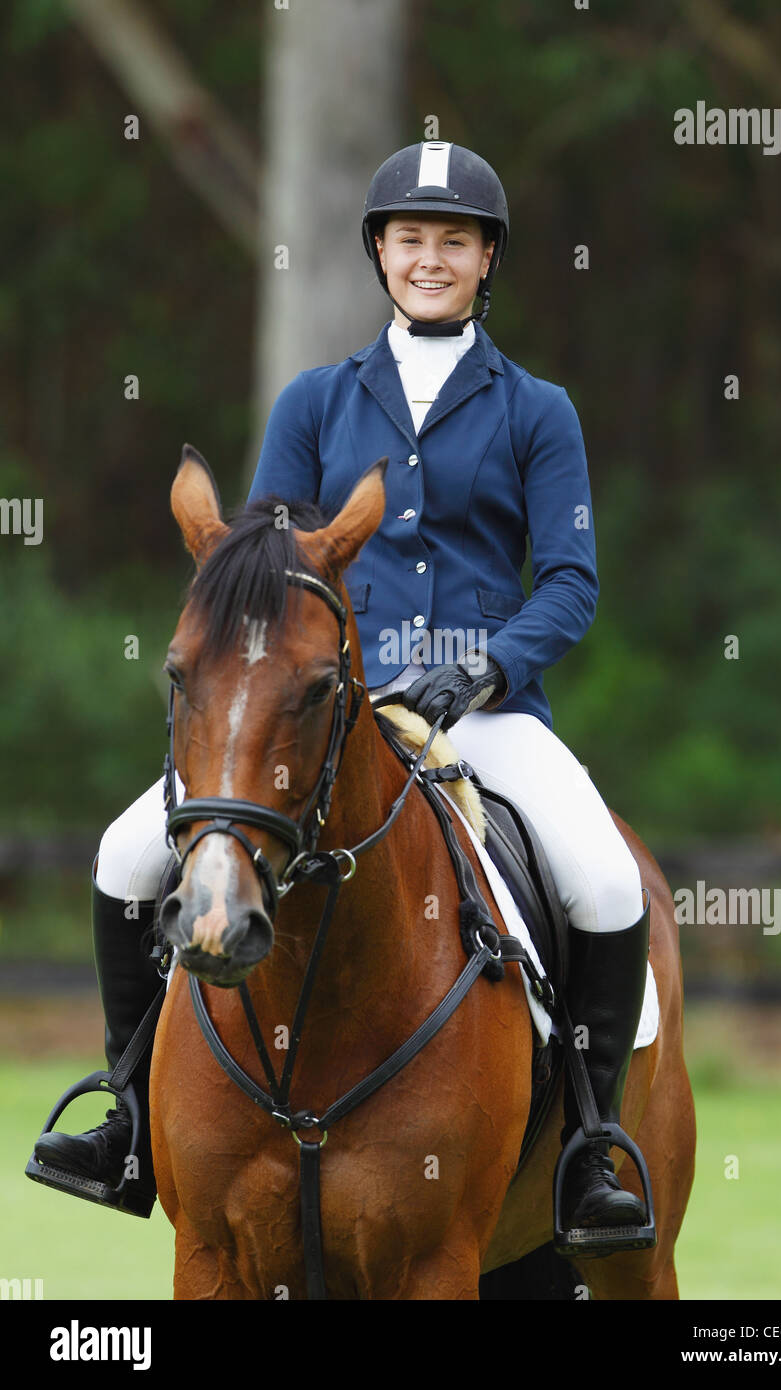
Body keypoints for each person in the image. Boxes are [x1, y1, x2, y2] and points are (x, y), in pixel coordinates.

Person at [33, 141, 650, 1255]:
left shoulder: (537, 409)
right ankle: (125, 1116)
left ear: (486, 259)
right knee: (126, 856)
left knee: (605, 881)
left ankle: (591, 1152)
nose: (429, 258)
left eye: (453, 240)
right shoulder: (317, 400)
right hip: (321, 711)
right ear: (380, 253)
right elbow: (262, 561)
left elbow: (569, 583)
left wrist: (487, 667)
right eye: (409, 239)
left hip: (485, 712)